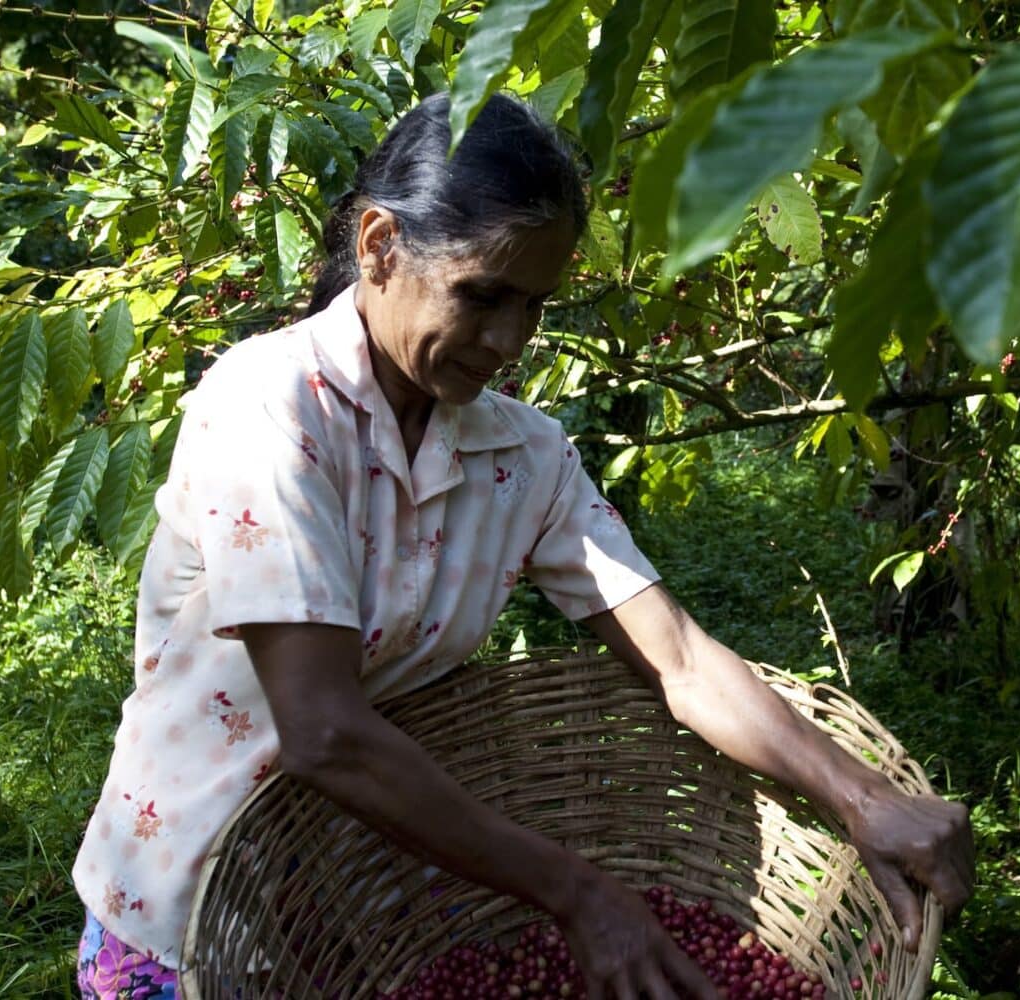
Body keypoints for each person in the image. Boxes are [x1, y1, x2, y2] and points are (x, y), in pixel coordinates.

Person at [72, 92, 974, 1000]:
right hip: (193, 902)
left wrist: (863, 800)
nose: (509, 341)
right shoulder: (269, 411)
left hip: (371, 901)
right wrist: (578, 893)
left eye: (534, 307)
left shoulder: (520, 453)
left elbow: (682, 660)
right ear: (380, 245)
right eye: (482, 296)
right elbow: (325, 732)